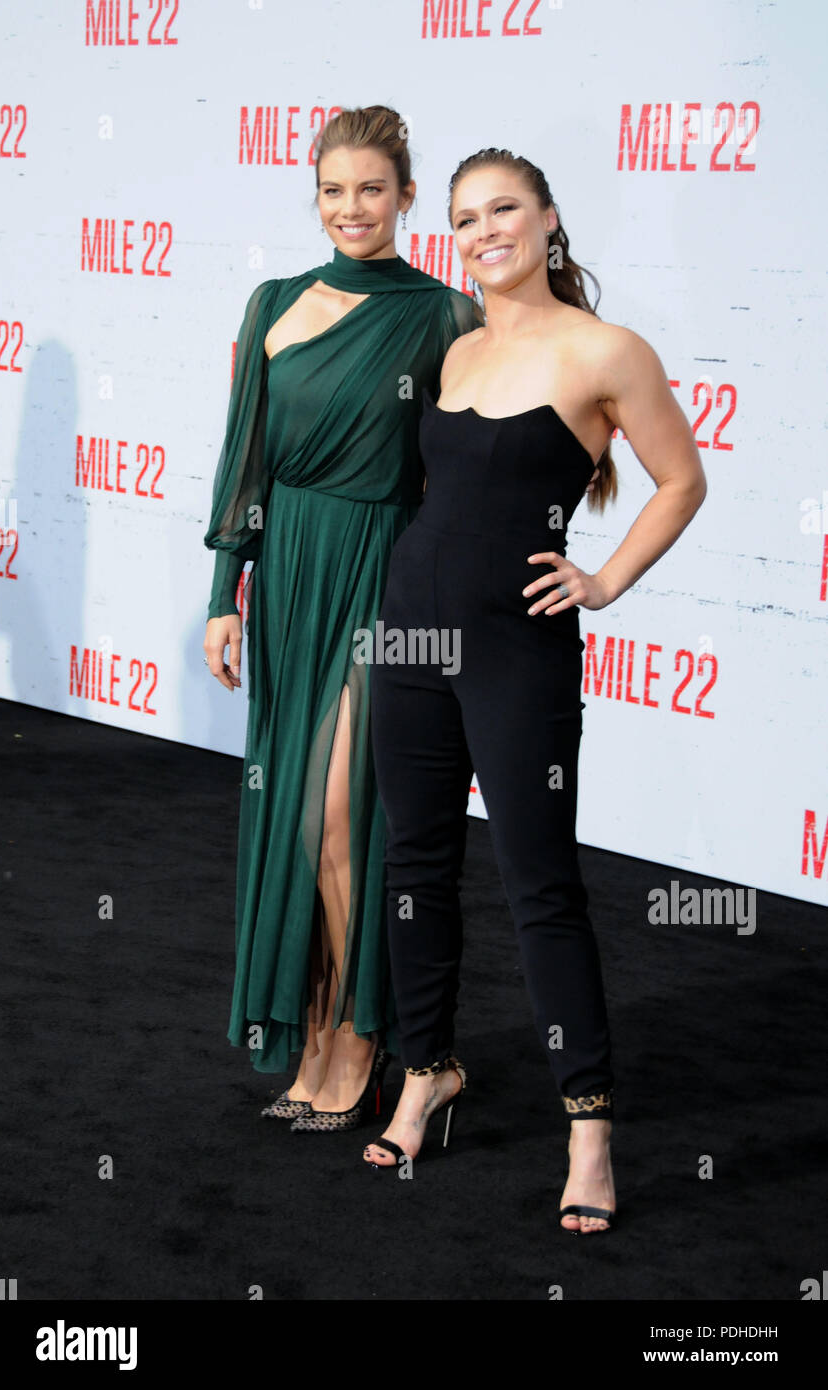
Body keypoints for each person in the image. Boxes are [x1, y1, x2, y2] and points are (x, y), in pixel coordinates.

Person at [362, 147, 707, 1231]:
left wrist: (602, 579)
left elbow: (681, 478)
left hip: (517, 652)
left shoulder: (605, 349)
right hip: (408, 634)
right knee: (412, 861)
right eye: (463, 218)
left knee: (536, 883)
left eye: (501, 209)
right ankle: (426, 1071)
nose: (480, 231)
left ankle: (589, 1126)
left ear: (548, 220)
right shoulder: (455, 354)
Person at [202, 106, 481, 1131]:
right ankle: (314, 1027)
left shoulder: (445, 314)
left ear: (407, 196)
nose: (350, 207)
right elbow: (245, 460)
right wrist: (224, 593)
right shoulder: (272, 300)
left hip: (387, 576)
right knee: (295, 818)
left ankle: (368, 1032)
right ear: (312, 194)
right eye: (332, 189)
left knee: (338, 815)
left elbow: (477, 457)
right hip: (289, 578)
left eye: (371, 188)